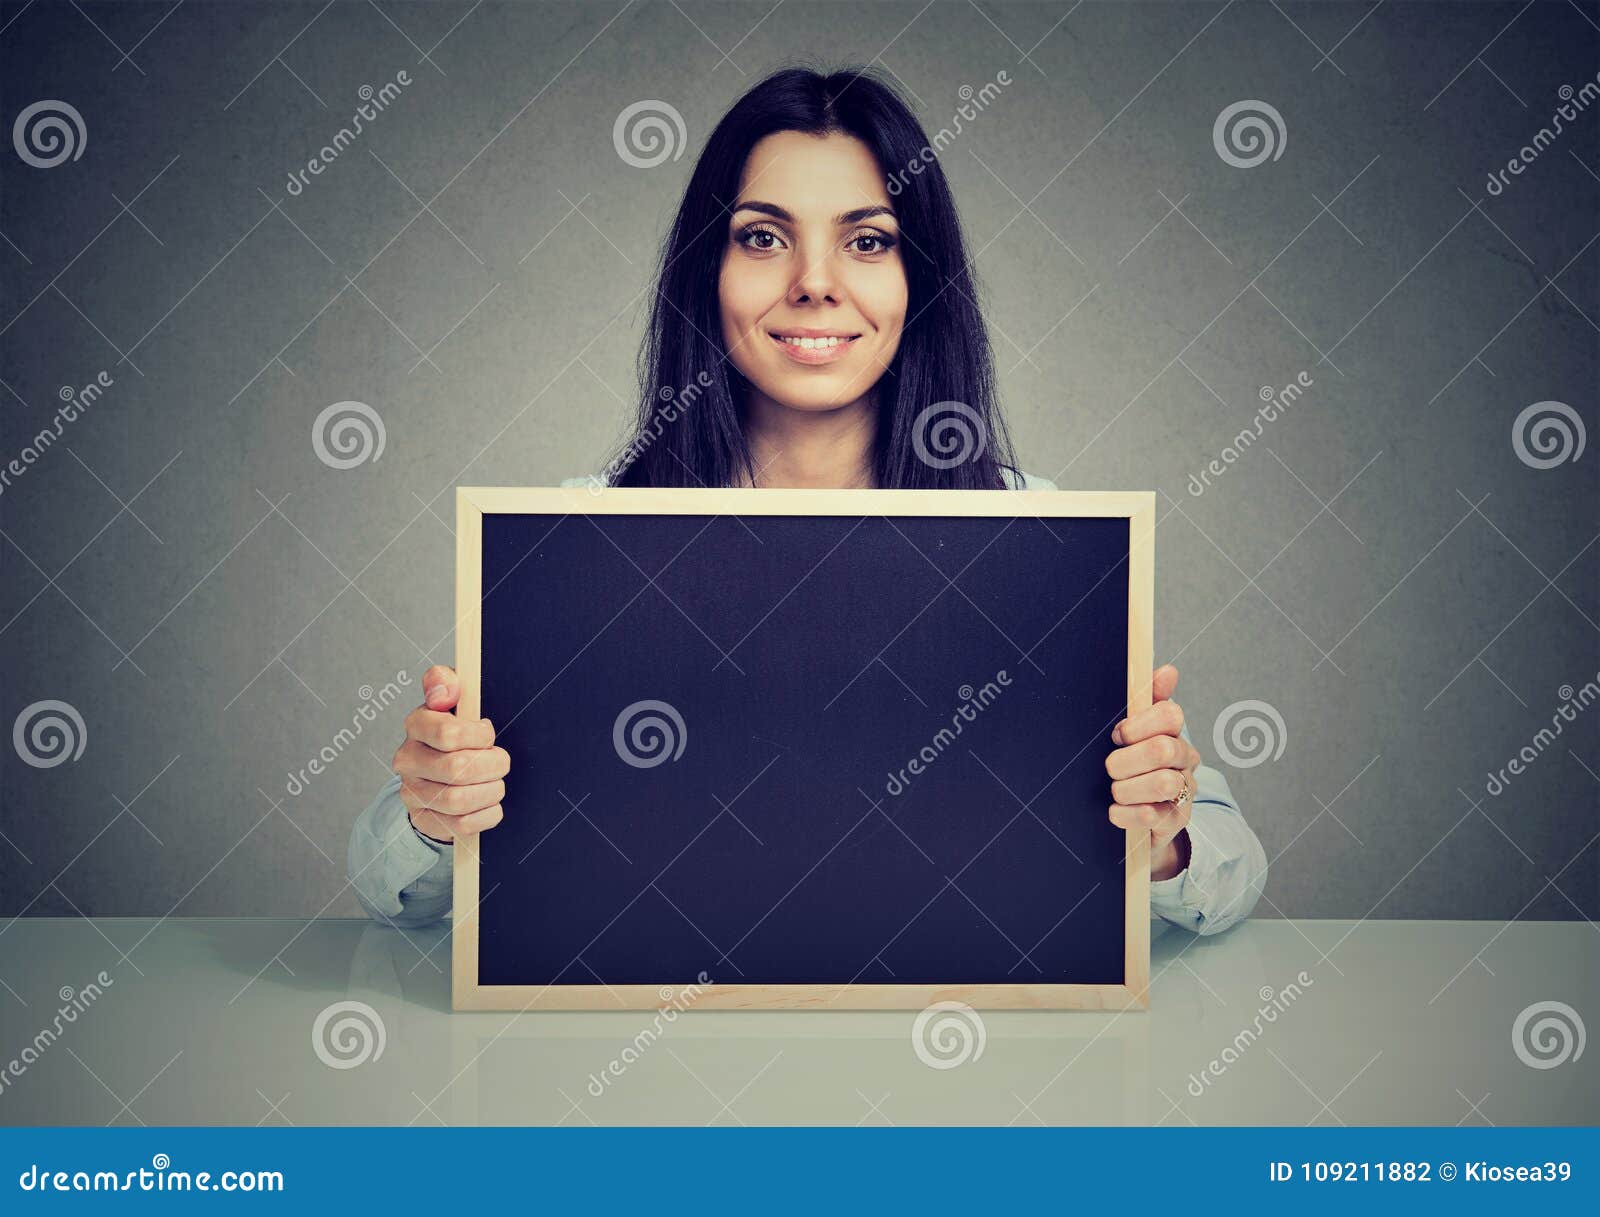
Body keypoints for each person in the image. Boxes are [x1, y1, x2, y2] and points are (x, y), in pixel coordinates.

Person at [348, 65, 1267, 940]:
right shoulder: (583, 532)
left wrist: (1166, 829)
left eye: (867, 240)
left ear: (919, 279)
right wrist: (435, 811)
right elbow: (396, 891)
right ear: (708, 271)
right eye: (762, 235)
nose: (814, 281)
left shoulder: (1036, 533)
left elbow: (1230, 869)